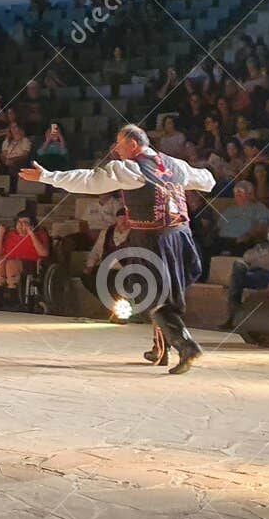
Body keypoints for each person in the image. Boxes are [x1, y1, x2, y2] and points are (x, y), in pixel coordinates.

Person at [20, 123, 217, 374]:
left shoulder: (132, 169)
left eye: (120, 143)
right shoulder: (173, 164)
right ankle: (161, 348)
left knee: (153, 296)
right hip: (182, 237)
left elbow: (91, 180)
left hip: (153, 239)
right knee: (160, 294)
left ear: (133, 145)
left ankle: (186, 346)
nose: (116, 149)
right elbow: (207, 180)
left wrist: (48, 176)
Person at [0, 212, 50, 309]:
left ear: (32, 224)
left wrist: (31, 233)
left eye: (25, 222)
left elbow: (44, 253)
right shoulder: (10, 234)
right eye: (19, 222)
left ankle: (13, 298)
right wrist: (1, 232)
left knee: (11, 264)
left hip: (29, 263)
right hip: (7, 262)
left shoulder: (40, 234)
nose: (21, 225)